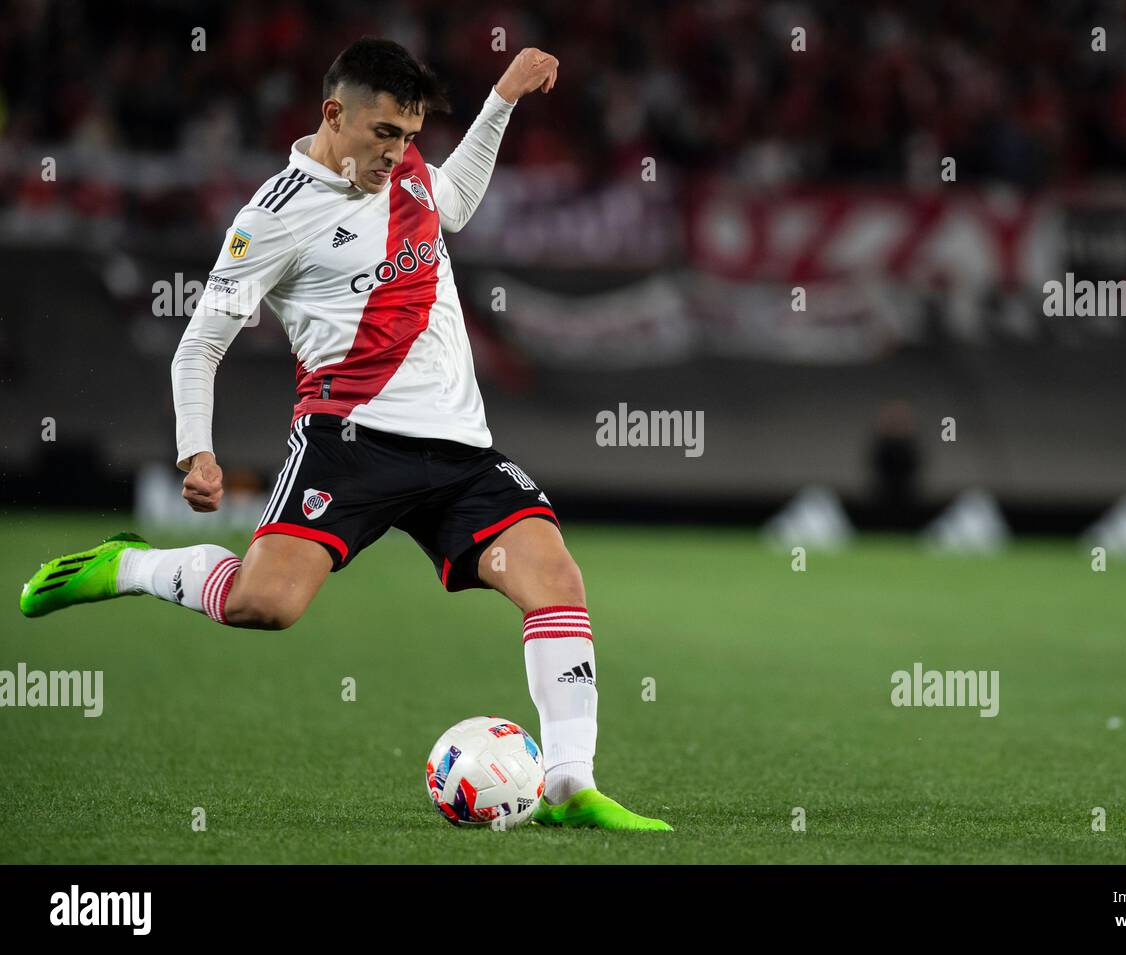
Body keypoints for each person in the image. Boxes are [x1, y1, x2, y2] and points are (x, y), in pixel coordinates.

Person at [19, 37, 669, 832]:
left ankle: (570, 784)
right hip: (348, 442)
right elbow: (202, 342)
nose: (397, 154)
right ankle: (131, 565)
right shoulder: (275, 215)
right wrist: (197, 449)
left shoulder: (412, 175)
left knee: (556, 580)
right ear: (334, 115)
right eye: (383, 135)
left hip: (461, 450)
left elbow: (454, 201)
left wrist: (500, 99)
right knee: (266, 604)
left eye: (409, 135)